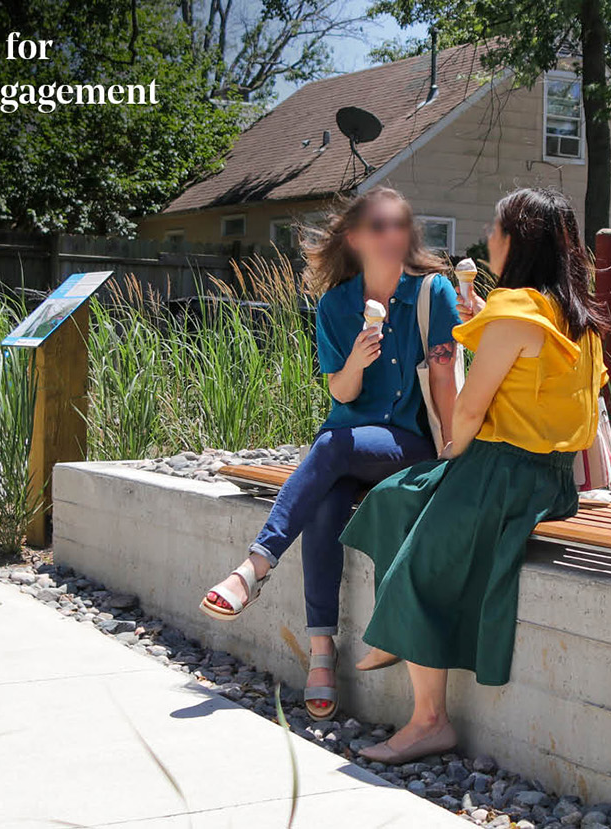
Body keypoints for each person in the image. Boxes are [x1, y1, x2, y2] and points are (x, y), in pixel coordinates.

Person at [339, 188, 609, 762]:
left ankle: (429, 719)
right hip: (551, 477)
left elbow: (467, 409)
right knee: (391, 498)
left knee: (419, 562)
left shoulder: (514, 312)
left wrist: (455, 454)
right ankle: (401, 631)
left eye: (496, 228)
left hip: (502, 472)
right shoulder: (576, 317)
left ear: (519, 242)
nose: (488, 238)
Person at [199, 187, 463, 721]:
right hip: (347, 445)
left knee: (330, 448)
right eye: (378, 226)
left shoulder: (434, 292)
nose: (392, 236)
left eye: (399, 225)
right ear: (354, 237)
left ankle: (256, 565)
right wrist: (359, 361)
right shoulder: (335, 305)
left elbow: (443, 382)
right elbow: (341, 395)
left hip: (408, 444)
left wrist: (457, 459)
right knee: (324, 501)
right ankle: (322, 652)